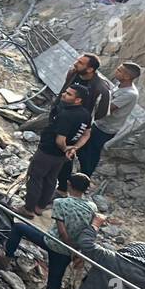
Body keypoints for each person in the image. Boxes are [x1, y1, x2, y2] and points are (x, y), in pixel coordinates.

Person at [0, 173, 99, 289]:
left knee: (19, 228)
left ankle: (7, 257)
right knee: (56, 276)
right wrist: (75, 249)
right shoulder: (92, 207)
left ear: (68, 184)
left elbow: (62, 232)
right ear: (86, 189)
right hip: (69, 251)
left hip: (53, 242)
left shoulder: (61, 203)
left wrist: (68, 244)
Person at [19, 84, 92, 218]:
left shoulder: (67, 115)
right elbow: (86, 134)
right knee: (50, 179)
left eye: (69, 94)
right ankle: (40, 207)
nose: (64, 94)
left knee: (35, 178)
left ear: (78, 100)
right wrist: (74, 148)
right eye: (65, 92)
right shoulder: (86, 114)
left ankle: (28, 209)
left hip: (48, 151)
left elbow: (60, 140)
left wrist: (65, 148)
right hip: (60, 157)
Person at [54, 54, 114, 195]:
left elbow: (103, 112)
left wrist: (83, 119)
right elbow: (64, 90)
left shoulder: (101, 88)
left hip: (76, 125)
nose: (76, 63)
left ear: (90, 69)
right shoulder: (73, 73)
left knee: (66, 154)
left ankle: (62, 188)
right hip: (60, 116)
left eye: (80, 63)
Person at [72, 61, 140, 180]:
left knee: (91, 152)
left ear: (127, 76)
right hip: (99, 123)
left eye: (119, 70)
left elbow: (108, 109)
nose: (116, 71)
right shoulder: (120, 85)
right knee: (83, 147)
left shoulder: (130, 94)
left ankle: (84, 177)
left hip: (106, 128)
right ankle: (80, 174)